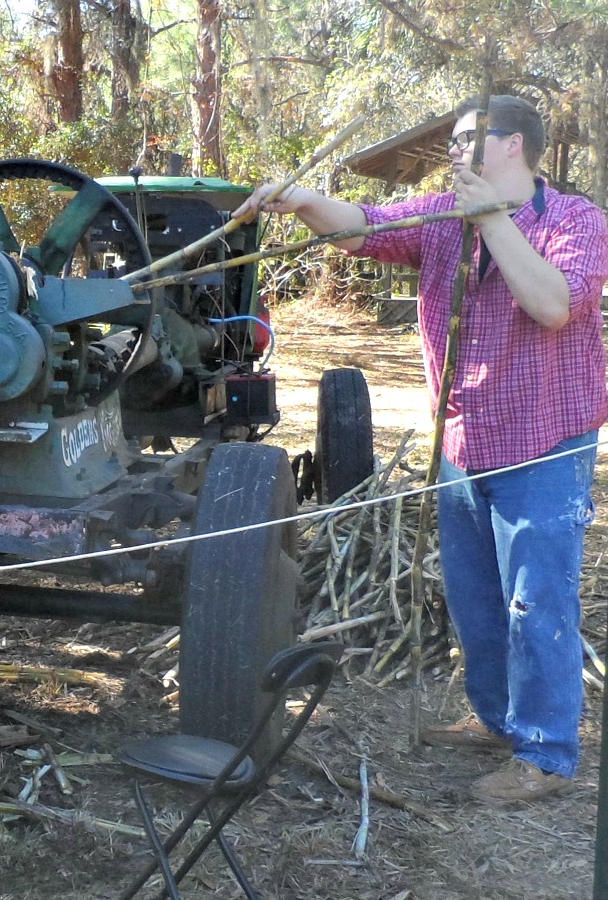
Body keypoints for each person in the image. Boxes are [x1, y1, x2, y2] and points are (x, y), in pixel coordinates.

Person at [234, 95, 608, 802]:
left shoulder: (575, 222)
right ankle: (500, 720)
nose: (455, 147)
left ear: (516, 145)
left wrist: (492, 221)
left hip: (546, 446)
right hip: (465, 443)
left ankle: (546, 753)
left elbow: (554, 304)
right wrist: (304, 200)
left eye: (472, 136)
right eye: (455, 137)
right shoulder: (443, 220)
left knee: (537, 600)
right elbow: (363, 229)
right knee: (476, 598)